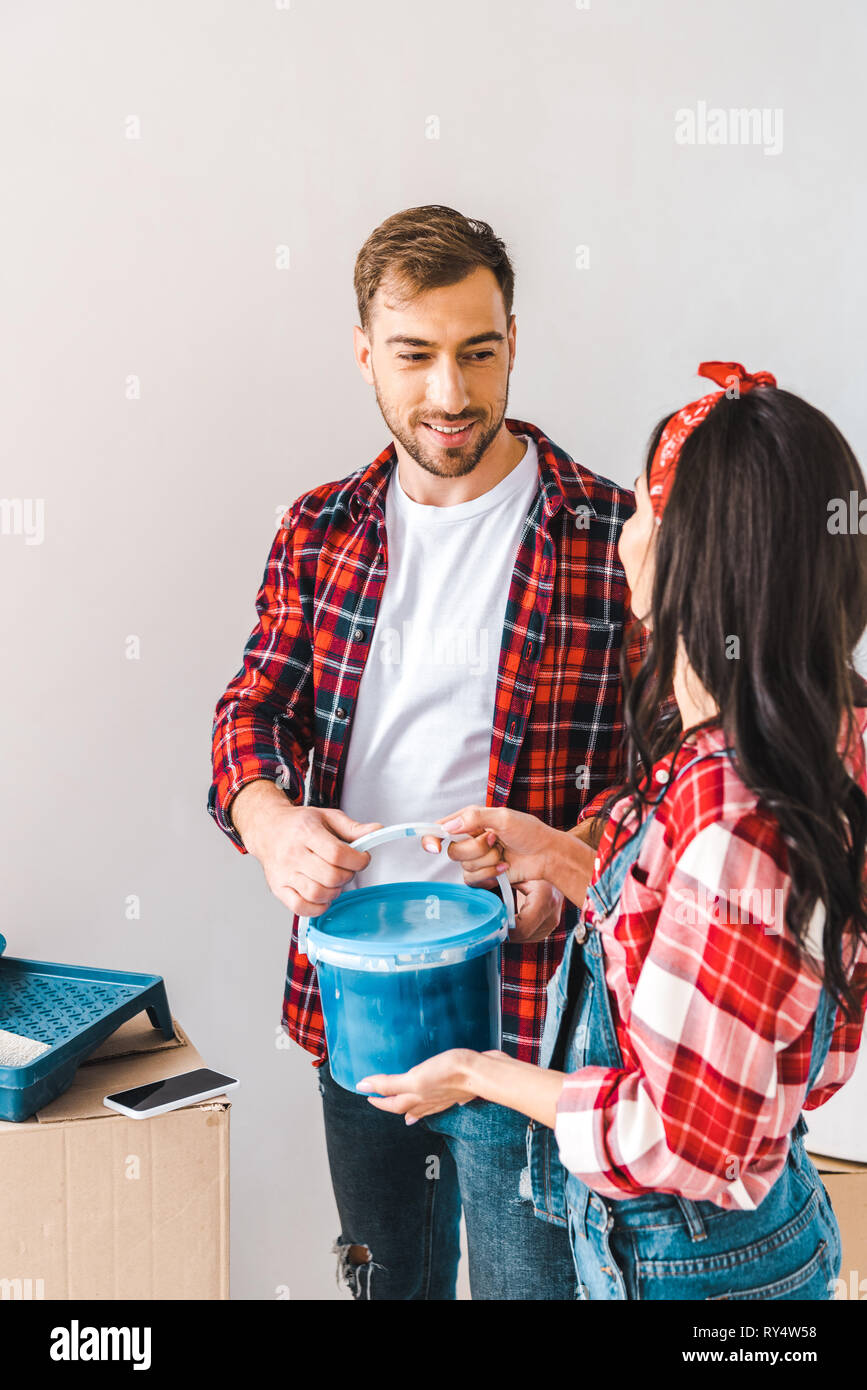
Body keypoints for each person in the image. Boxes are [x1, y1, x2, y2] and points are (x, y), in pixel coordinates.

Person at [207, 205, 646, 1299]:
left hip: (533, 1016)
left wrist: (572, 855)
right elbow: (254, 707)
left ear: (513, 341)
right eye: (415, 355)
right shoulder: (320, 529)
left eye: (478, 351)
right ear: (365, 353)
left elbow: (666, 771)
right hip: (355, 999)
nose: (450, 392)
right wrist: (271, 821)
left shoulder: (608, 532)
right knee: (384, 1285)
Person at [365, 361, 867, 1300]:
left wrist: (481, 1073)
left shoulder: (735, 814)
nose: (623, 537)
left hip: (697, 1268)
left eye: (640, 514)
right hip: (759, 1229)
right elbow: (763, 1011)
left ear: (685, 551)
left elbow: (674, 1135)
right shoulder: (818, 729)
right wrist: (558, 854)